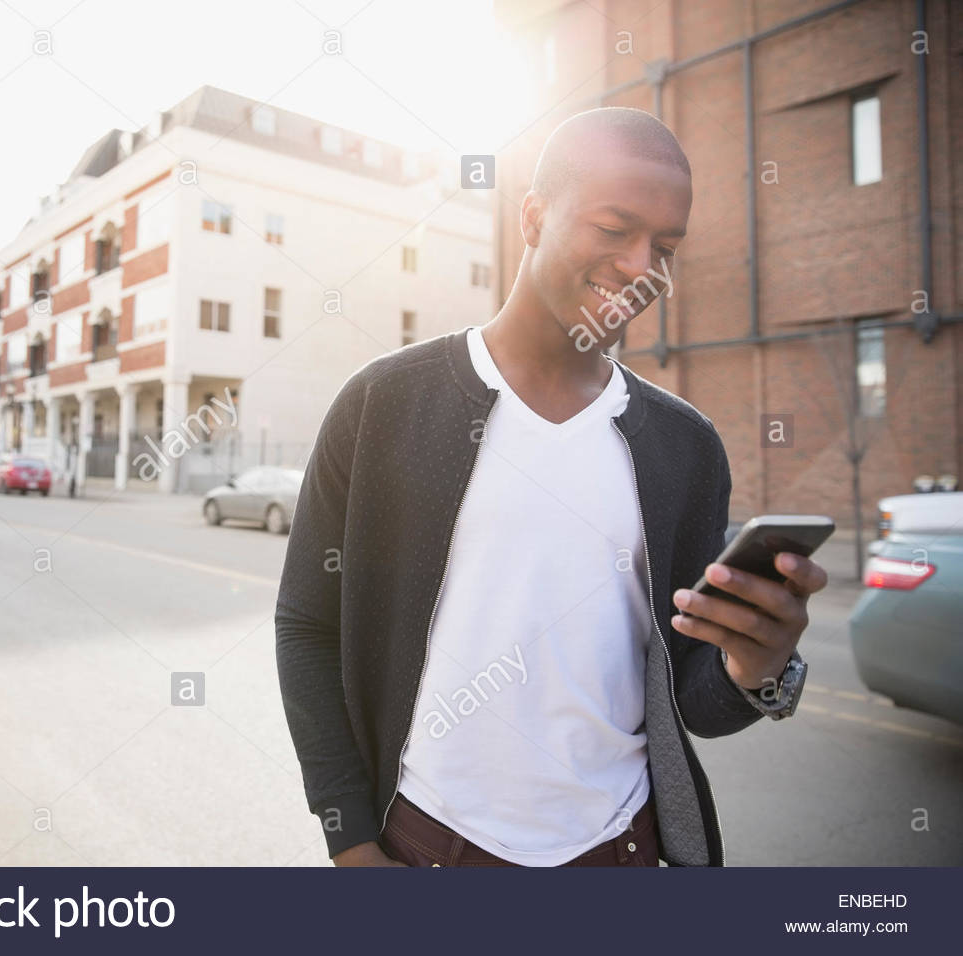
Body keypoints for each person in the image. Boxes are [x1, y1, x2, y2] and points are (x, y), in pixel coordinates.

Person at [274, 107, 828, 868]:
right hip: (426, 848)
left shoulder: (685, 447)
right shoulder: (383, 405)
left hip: (625, 853)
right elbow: (307, 626)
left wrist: (754, 670)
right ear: (533, 218)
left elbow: (696, 703)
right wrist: (350, 841)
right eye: (614, 228)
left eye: (665, 246)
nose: (643, 266)